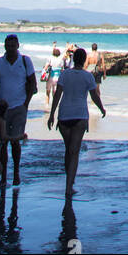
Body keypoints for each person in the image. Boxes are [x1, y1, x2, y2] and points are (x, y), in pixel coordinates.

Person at [47, 47, 106, 198]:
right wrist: (102, 109)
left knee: (69, 150)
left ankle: (69, 182)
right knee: (74, 152)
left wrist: (52, 114)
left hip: (64, 115)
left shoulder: (65, 74)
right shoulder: (88, 77)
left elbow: (57, 95)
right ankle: (69, 186)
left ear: (74, 59)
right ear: (84, 60)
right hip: (79, 116)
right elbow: (94, 96)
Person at [0, 35, 36, 185]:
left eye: (13, 46)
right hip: (2, 109)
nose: (11, 49)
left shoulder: (25, 61)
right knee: (2, 142)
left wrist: (26, 104)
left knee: (15, 142)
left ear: (18, 46)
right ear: (4, 46)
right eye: (8, 46)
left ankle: (16, 173)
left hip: (19, 107)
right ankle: (4, 176)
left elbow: (32, 83)